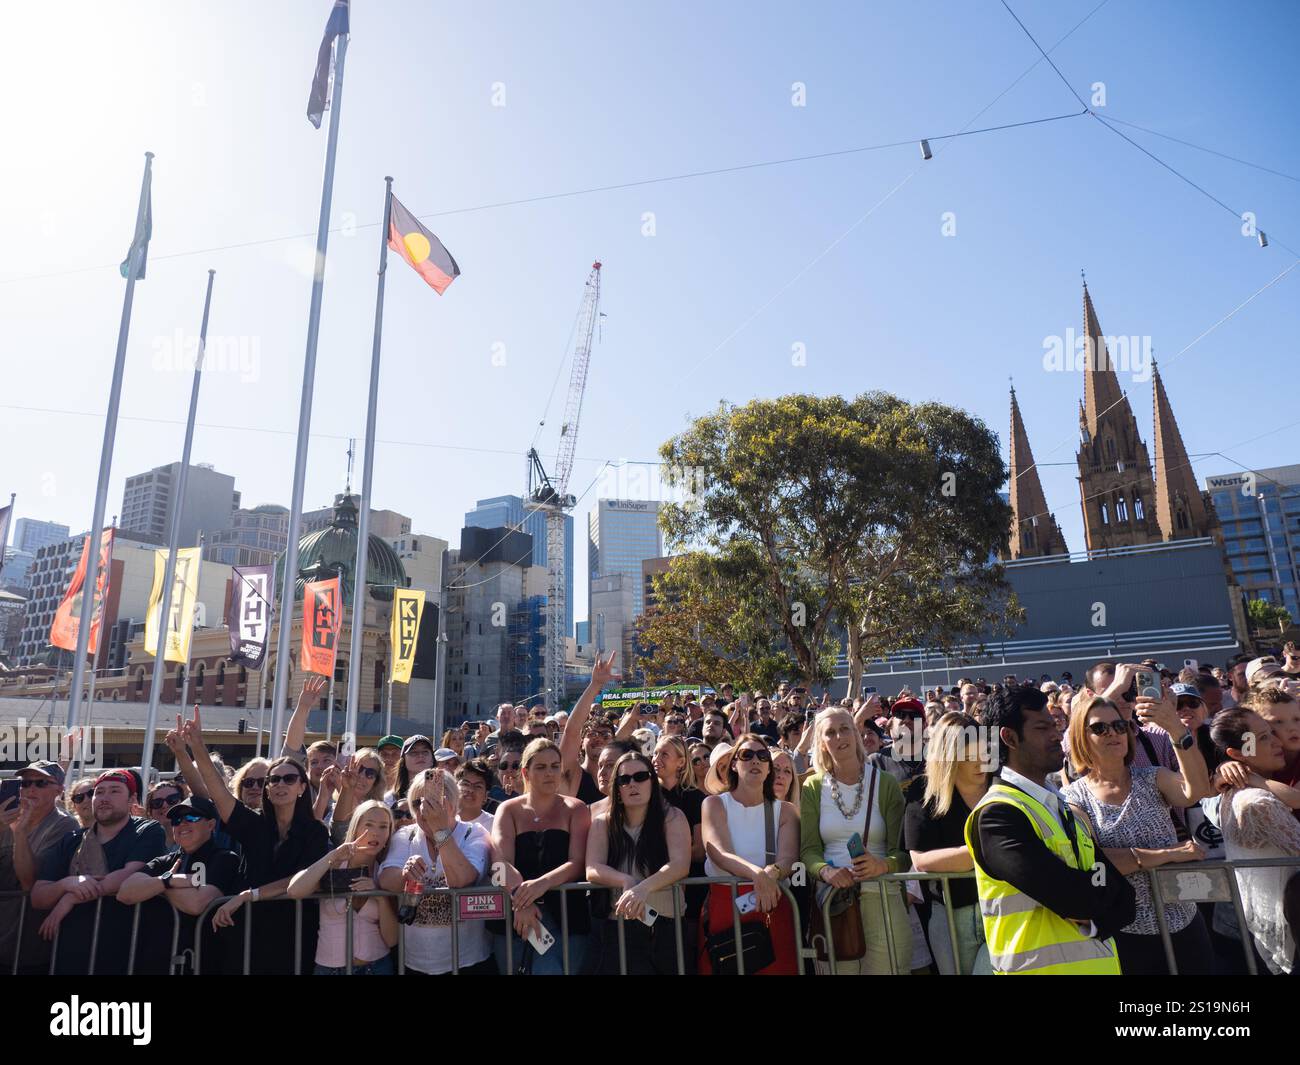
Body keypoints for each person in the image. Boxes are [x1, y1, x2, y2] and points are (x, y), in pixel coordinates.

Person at [965, 686, 1135, 974]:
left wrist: (1093, 906)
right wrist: (1094, 901)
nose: (1057, 735)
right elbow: (1075, 898)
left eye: (1055, 725)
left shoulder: (1060, 806)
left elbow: (1126, 899)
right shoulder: (997, 815)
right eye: (1043, 727)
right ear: (1009, 738)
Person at [1060, 694, 1213, 975]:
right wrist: (1168, 855)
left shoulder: (1153, 777)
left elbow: (1197, 789)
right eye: (1099, 728)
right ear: (1081, 737)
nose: (1113, 733)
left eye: (1120, 726)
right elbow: (1097, 861)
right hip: (1125, 930)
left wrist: (1177, 731)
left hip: (1184, 920)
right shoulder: (1073, 797)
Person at [181, 708, 330, 974]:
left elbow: (303, 879)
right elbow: (218, 794)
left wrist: (249, 896)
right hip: (246, 932)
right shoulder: (256, 825)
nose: (280, 784)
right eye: (273, 779)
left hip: (292, 936)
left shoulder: (315, 831)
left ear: (302, 787)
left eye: (289, 778)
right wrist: (199, 747)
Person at [799, 708, 912, 974]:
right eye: (830, 732)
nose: (839, 736)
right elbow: (809, 850)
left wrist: (882, 866)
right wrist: (826, 871)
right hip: (835, 902)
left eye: (844, 728)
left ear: (856, 733)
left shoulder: (886, 784)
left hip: (882, 898)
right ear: (822, 743)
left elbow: (904, 854)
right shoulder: (813, 787)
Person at [31, 770, 167, 975]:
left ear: (132, 799)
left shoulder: (148, 831)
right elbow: (38, 896)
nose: (104, 798)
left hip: (126, 955)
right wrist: (67, 883)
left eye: (114, 791)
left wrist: (68, 899)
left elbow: (129, 875)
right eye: (99, 792)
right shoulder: (71, 840)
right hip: (70, 955)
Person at [700, 735, 800, 975]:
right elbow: (719, 853)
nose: (755, 760)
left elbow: (788, 858)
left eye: (763, 756)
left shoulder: (786, 810)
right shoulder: (714, 804)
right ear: (734, 764)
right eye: (747, 755)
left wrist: (770, 874)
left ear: (768, 769)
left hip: (773, 904)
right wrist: (759, 875)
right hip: (726, 907)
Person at [585, 749, 691, 974]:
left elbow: (680, 864)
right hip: (619, 927)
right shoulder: (602, 823)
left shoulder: (673, 816)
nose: (633, 784)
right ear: (617, 787)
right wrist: (626, 881)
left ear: (652, 781)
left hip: (666, 925)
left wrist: (642, 888)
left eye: (641, 777)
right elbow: (592, 868)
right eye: (624, 779)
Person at [1210, 708, 1300, 973]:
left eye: (1271, 733)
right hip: (1283, 927)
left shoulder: (1251, 789)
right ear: (1236, 754)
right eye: (1261, 738)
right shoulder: (1255, 801)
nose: (1276, 741)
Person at [492, 738, 592, 973]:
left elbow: (577, 863)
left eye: (555, 766)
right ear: (526, 772)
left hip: (566, 918)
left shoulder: (576, 808)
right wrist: (521, 901)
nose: (550, 773)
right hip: (515, 918)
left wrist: (542, 884)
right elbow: (499, 861)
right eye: (541, 767)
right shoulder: (508, 809)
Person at [904, 712, 992, 975]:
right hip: (949, 915)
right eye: (968, 755)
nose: (981, 761)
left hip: (1002, 907)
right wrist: (989, 851)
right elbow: (921, 860)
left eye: (984, 751)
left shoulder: (1001, 785)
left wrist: (959, 858)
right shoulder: (924, 791)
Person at [118, 796, 243, 974]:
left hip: (202, 962)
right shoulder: (165, 862)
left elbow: (197, 903)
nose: (182, 824)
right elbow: (125, 892)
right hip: (157, 961)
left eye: (192, 818)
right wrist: (169, 881)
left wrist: (155, 889)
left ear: (210, 825)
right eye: (177, 820)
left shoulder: (225, 858)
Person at [289, 800, 398, 974]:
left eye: (383, 827)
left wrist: (379, 896)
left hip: (376, 967)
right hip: (329, 969)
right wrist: (332, 856)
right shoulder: (334, 863)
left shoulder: (386, 873)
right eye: (368, 825)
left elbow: (392, 940)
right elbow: (294, 890)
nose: (375, 833)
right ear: (355, 828)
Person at [0, 760, 79, 974]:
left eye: (41, 783)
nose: (30, 788)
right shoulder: (5, 818)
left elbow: (29, 882)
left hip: (26, 946)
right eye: (25, 783)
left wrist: (19, 834)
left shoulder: (65, 825)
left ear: (59, 790)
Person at [558, 651, 619, 803]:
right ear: (581, 743)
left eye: (605, 735)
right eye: (592, 734)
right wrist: (595, 685)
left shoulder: (623, 777)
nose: (598, 739)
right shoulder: (573, 774)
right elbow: (571, 732)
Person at [323, 747, 387, 845]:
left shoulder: (381, 811)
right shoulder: (331, 806)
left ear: (376, 781)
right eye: (358, 769)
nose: (361, 776)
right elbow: (339, 831)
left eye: (370, 773)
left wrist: (342, 787)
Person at [389, 735, 435, 805]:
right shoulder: (390, 799)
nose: (420, 755)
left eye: (425, 752)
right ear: (403, 762)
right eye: (414, 752)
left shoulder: (445, 793)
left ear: (432, 760)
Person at [144, 779, 188, 848]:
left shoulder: (197, 837)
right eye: (157, 803)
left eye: (172, 799)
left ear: (183, 803)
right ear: (150, 812)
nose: (165, 805)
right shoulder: (142, 844)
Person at [455, 759, 496, 832]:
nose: (470, 790)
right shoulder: (442, 819)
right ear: (455, 788)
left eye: (478, 786)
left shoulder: (495, 825)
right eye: (465, 784)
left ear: (486, 796)